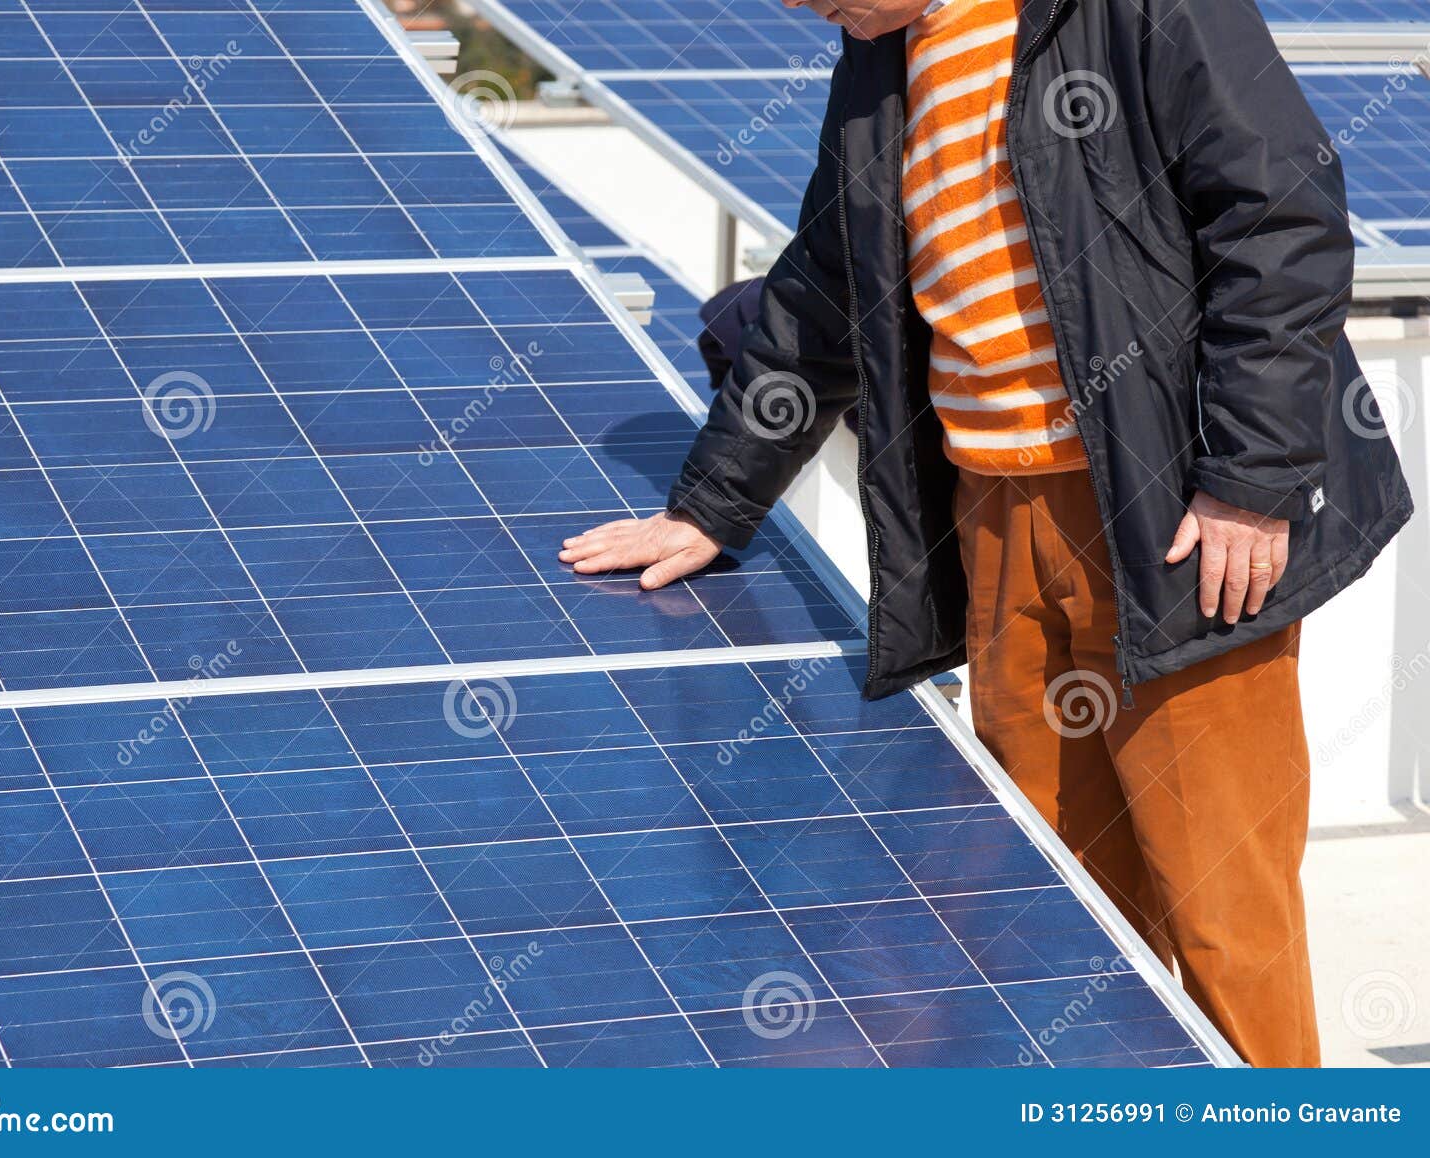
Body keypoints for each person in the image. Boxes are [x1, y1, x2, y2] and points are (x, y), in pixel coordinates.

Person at [559, 0, 1413, 1067]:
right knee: (1056, 899)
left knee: (1216, 908)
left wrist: (1249, 478)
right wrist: (708, 506)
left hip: (1173, 521)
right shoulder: (879, 54)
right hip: (993, 522)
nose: (798, 6)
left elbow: (1280, 214)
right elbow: (825, 284)